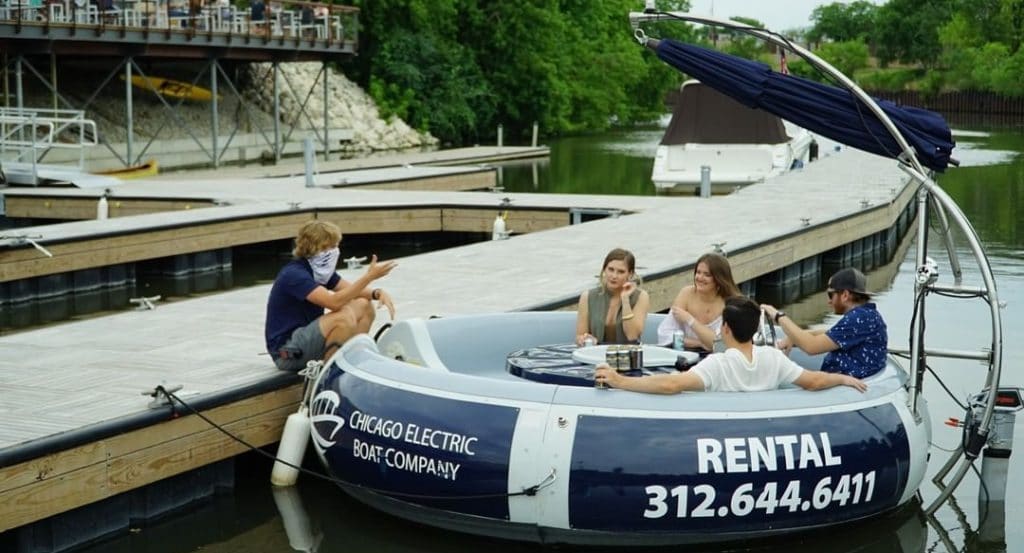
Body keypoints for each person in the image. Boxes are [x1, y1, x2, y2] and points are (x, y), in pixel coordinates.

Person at [595, 296, 867, 394]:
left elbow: (670, 385)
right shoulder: (773, 359)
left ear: (724, 328)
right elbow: (814, 381)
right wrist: (842, 378)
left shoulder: (718, 365)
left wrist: (620, 381)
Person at [264, 220, 397, 372]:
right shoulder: (295, 275)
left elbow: (352, 290)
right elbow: (334, 303)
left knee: (364, 304)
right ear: (313, 247)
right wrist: (368, 277)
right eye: (331, 247)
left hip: (307, 340)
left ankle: (355, 360)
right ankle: (331, 375)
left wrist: (377, 293)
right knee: (342, 317)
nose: (335, 251)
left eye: (336, 246)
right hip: (287, 352)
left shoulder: (320, 272)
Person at [761, 267, 887, 379]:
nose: (829, 302)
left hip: (845, 393)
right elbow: (831, 334)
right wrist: (793, 338)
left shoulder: (860, 318)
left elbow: (811, 347)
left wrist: (778, 316)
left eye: (830, 295)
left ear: (845, 295)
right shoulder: (867, 315)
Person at [656, 252, 740, 351]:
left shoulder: (732, 303)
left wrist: (690, 320)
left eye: (707, 275)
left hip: (718, 360)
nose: (700, 278)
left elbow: (720, 345)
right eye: (698, 272)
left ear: (719, 278)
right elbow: (665, 334)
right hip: (686, 355)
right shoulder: (686, 294)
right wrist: (699, 343)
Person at [576, 248, 650, 345]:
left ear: (630, 274)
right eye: (610, 269)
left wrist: (625, 299)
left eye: (621, 272)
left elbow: (632, 336)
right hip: (595, 354)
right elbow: (579, 336)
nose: (614, 276)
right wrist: (585, 339)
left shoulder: (641, 297)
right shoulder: (587, 297)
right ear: (604, 269)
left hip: (628, 355)